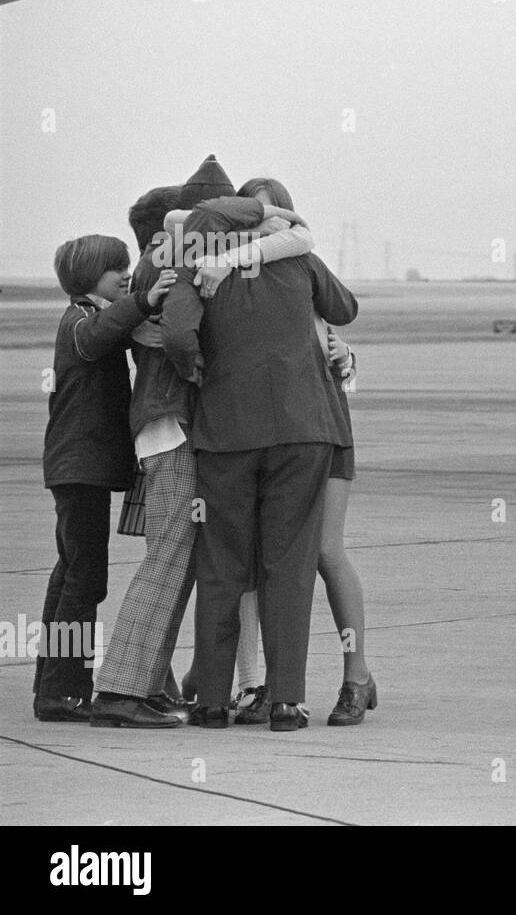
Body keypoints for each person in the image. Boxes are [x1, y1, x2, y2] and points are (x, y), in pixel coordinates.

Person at [92, 158, 312, 727]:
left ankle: (147, 684)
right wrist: (278, 217)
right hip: (173, 424)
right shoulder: (185, 256)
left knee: (185, 557)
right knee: (171, 556)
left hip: (164, 425)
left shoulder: (168, 256)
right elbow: (176, 334)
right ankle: (120, 688)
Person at [161, 186, 358, 730]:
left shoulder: (193, 265)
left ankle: (212, 702)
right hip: (303, 431)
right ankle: (287, 702)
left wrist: (194, 366)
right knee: (290, 565)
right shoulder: (298, 259)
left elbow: (177, 333)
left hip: (226, 435)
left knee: (222, 564)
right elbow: (346, 308)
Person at [217, 176, 376, 727]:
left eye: (272, 215)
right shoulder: (227, 269)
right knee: (264, 564)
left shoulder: (301, 264)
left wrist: (345, 354)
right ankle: (258, 685)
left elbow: (344, 308)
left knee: (326, 552)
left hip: (323, 428)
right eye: (252, 215)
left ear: (287, 221)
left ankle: (356, 675)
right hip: (272, 433)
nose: (262, 224)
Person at [35, 235, 175, 722]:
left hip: (76, 469)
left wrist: (137, 323)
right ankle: (65, 689)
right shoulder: (77, 320)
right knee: (86, 582)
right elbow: (95, 338)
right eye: (114, 268)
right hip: (79, 470)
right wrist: (144, 302)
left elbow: (111, 331)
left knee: (69, 576)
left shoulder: (94, 318)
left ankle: (52, 686)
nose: (125, 273)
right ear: (86, 277)